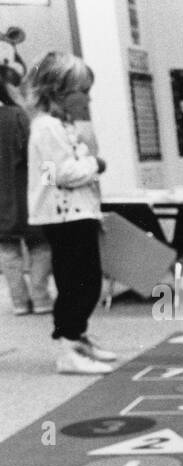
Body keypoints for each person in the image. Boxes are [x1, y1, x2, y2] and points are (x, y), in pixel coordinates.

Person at [24, 52, 116, 375]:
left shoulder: (63, 125)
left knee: (88, 279)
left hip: (78, 212)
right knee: (77, 282)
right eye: (82, 90)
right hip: (63, 216)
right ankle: (68, 345)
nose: (88, 97)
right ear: (59, 90)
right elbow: (58, 173)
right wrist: (96, 165)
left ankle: (78, 338)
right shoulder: (46, 127)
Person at [0, 74, 53, 316]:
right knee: (40, 245)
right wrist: (51, 185)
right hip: (25, 192)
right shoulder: (17, 116)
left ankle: (19, 302)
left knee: (8, 251)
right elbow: (40, 154)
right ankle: (40, 297)